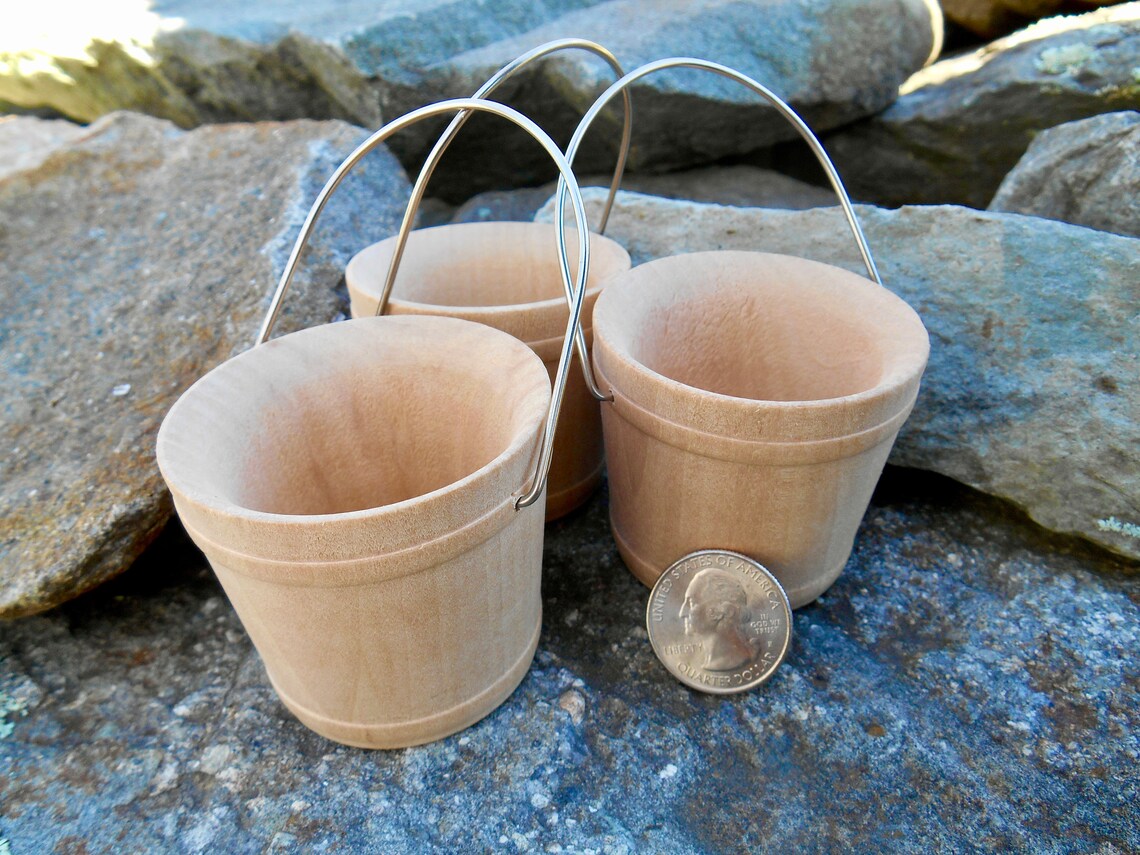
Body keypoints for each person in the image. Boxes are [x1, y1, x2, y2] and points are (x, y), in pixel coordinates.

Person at [679, 568, 756, 671]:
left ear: (724, 610)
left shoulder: (735, 659)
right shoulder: (712, 661)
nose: (682, 613)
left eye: (692, 602)